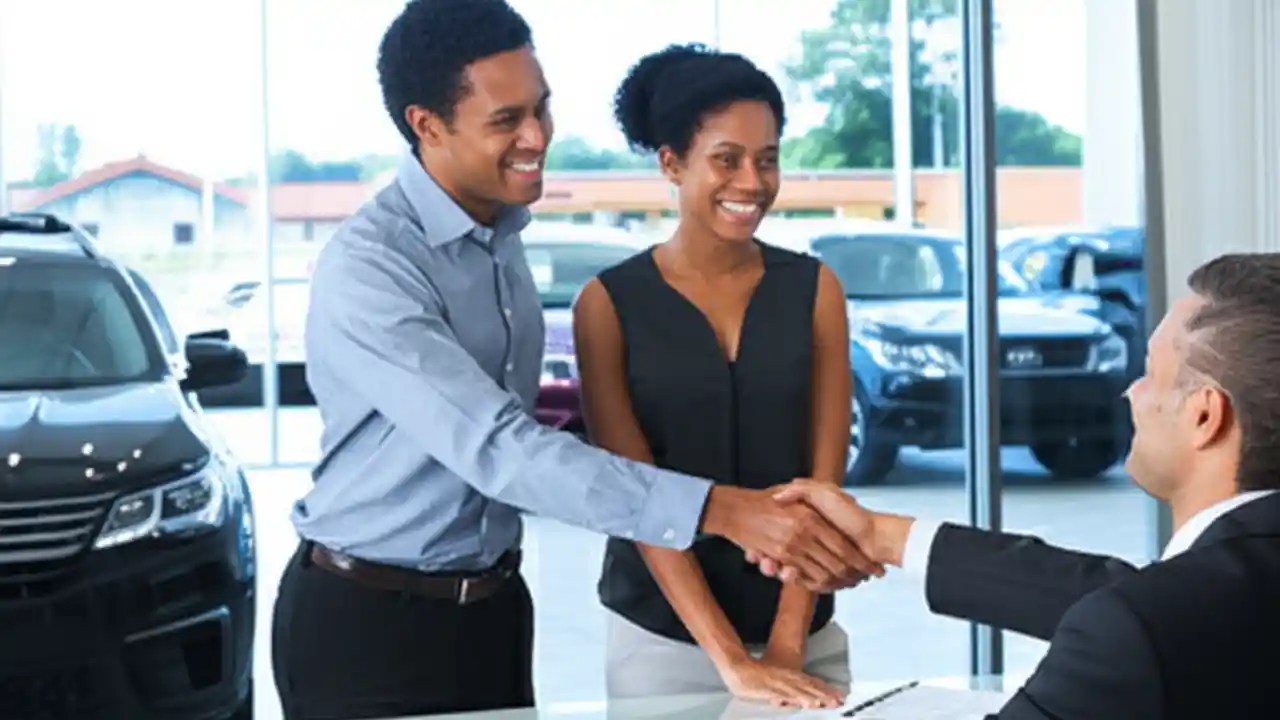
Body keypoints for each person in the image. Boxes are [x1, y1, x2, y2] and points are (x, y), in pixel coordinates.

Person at [269, 3, 879, 719]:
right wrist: (721, 508)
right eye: (506, 120)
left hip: (493, 608)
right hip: (368, 621)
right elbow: (500, 448)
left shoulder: (498, 239)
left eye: (541, 109)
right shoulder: (372, 266)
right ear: (426, 125)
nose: (537, 137)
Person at [756, 253, 1280, 719]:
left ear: (1205, 415)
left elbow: (1140, 621)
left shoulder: (1141, 630)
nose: (1131, 391)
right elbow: (1135, 600)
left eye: (1150, 373)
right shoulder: (1201, 601)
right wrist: (881, 537)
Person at [572, 44, 853, 711]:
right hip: (662, 644)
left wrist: (787, 641)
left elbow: (824, 481)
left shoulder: (816, 289)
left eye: (768, 158)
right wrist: (731, 660)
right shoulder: (607, 305)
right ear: (672, 164)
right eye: (726, 159)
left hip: (804, 634)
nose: (751, 182)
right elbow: (635, 495)